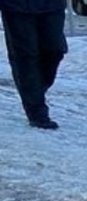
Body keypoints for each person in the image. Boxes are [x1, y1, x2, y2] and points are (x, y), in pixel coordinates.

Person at [1, 0, 67, 129]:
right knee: (26, 56)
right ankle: (37, 112)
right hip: (17, 7)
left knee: (55, 50)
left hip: (53, 5)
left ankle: (33, 90)